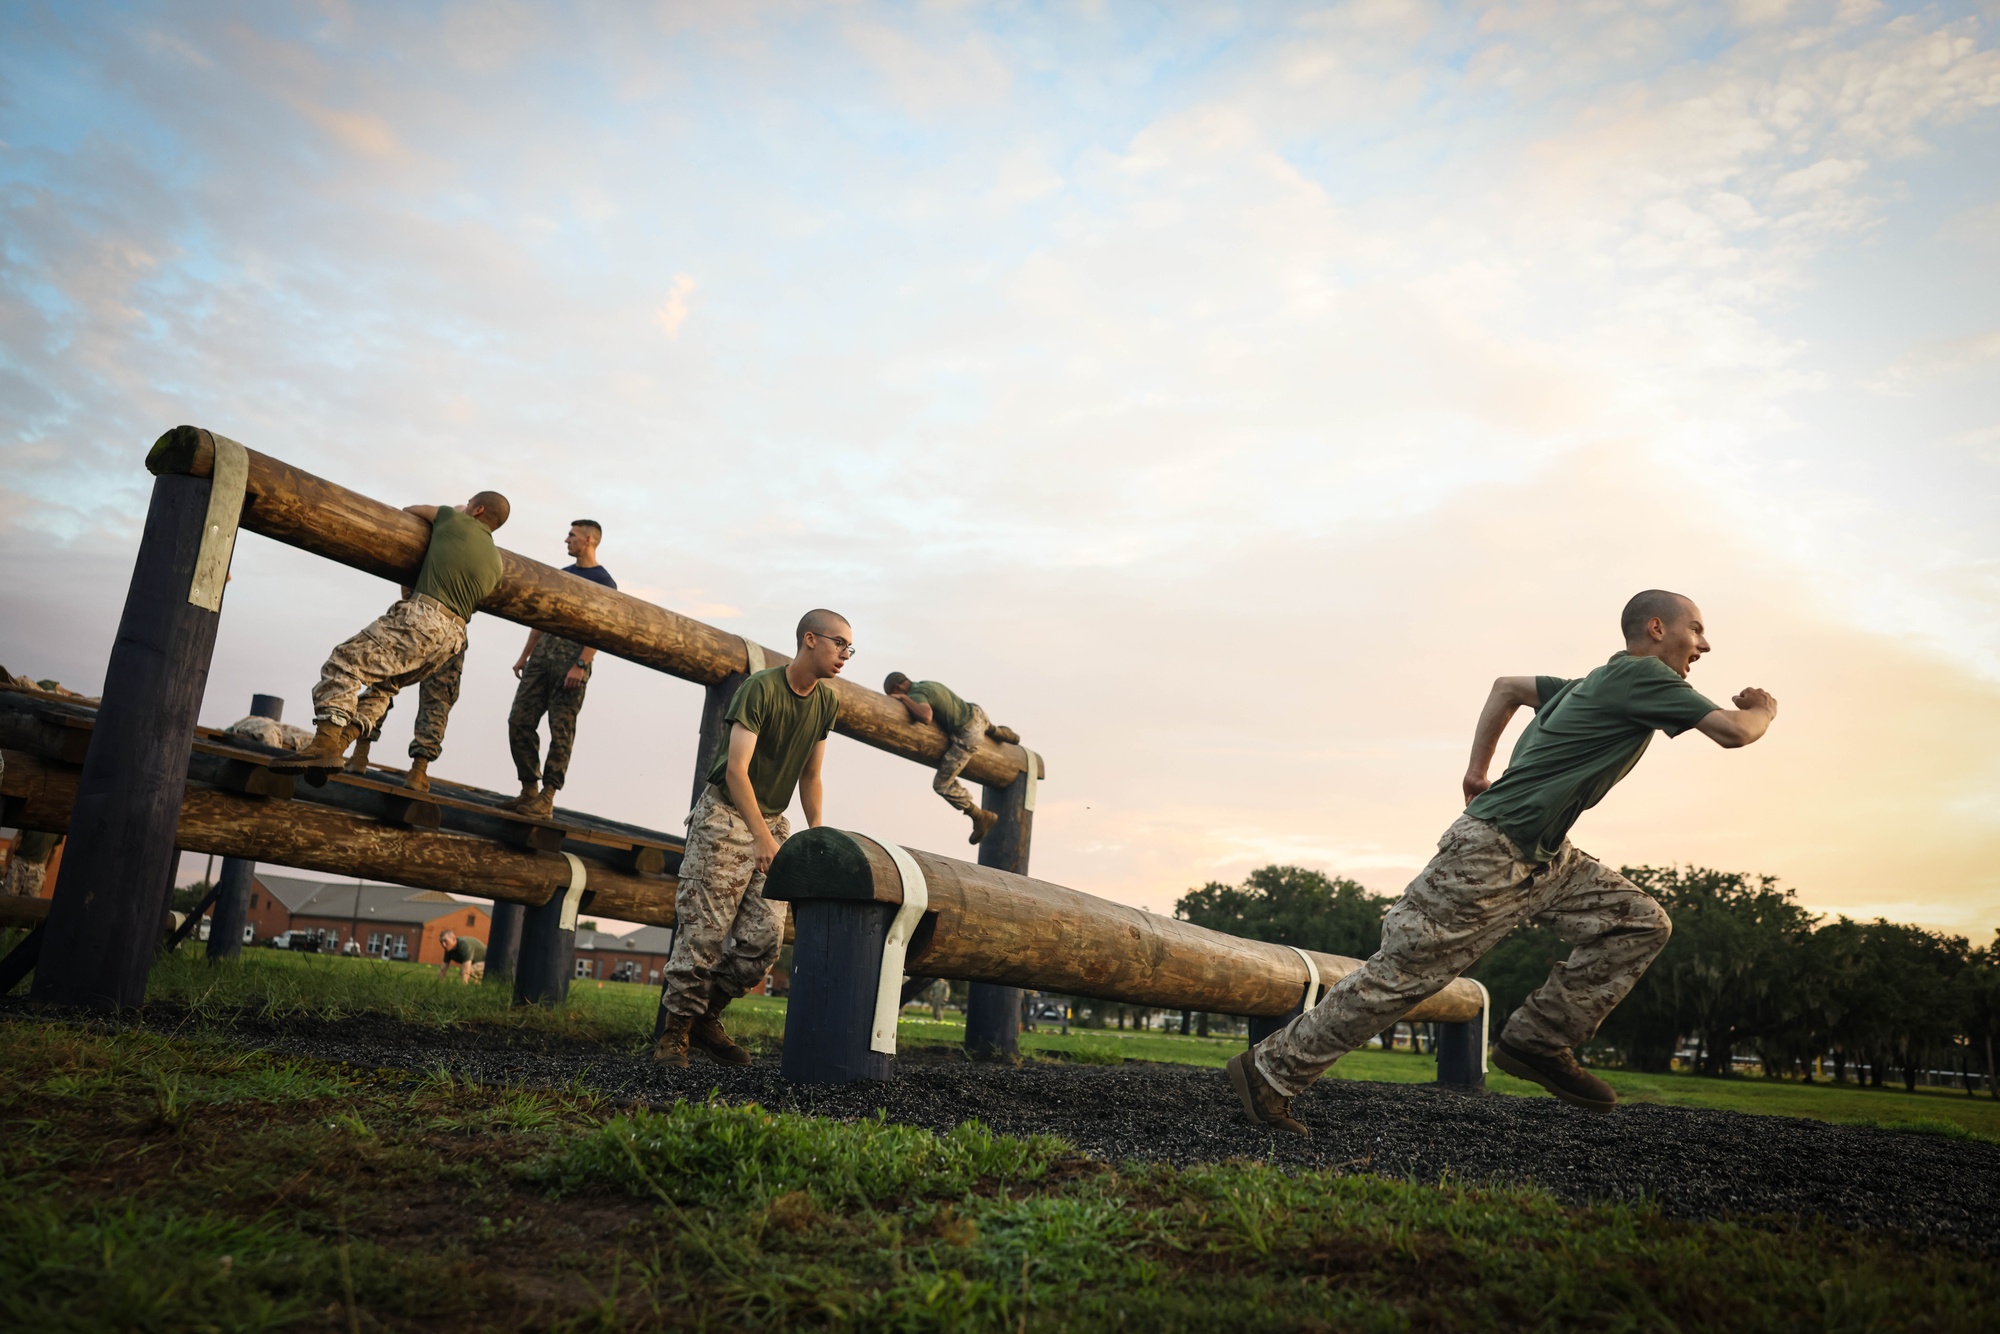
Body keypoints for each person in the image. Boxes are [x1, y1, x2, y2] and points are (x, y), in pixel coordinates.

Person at [1228, 590, 1778, 1133]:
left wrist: (1476, 771)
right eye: (1697, 629)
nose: (1703, 644)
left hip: (1544, 857)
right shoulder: (1643, 677)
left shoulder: (1593, 685)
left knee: (1637, 921)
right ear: (1657, 629)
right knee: (1401, 979)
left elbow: (1507, 688)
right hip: (1490, 853)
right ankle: (1268, 1073)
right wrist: (1762, 709)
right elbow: (1734, 731)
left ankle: (1536, 1040)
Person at [654, 609, 852, 1067]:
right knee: (702, 936)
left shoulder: (827, 702)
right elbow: (736, 771)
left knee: (763, 942)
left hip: (773, 824)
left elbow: (811, 776)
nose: (845, 654)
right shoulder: (761, 688)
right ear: (810, 640)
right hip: (724, 818)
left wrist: (816, 838)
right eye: (838, 643)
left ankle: (707, 1018)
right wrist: (761, 837)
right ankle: (675, 1034)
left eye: (849, 647)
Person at [276, 494, 508, 774]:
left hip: (425, 617)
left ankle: (325, 743)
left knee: (345, 662)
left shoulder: (454, 520)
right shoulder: (496, 564)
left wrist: (456, 513)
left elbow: (412, 510)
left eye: (469, 502)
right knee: (385, 687)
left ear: (478, 509)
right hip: (453, 639)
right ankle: (338, 748)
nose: (465, 505)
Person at [503, 521, 616, 817]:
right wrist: (524, 656)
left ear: (589, 540)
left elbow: (602, 629)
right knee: (519, 721)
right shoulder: (562, 576)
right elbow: (541, 618)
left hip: (571, 662)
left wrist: (582, 663)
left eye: (572, 535)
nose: (566, 540)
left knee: (561, 729)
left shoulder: (604, 582)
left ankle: (547, 796)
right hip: (541, 659)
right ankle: (529, 788)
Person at [882, 672, 1022, 845]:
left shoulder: (915, 694)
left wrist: (903, 699)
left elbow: (926, 716)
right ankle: (999, 732)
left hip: (969, 734)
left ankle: (979, 816)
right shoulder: (927, 684)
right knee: (981, 724)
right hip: (978, 713)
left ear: (896, 688)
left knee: (942, 784)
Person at [342, 650, 463, 792]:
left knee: (384, 682)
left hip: (413, 631)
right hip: (451, 636)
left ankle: (360, 754)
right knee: (437, 701)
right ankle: (418, 770)